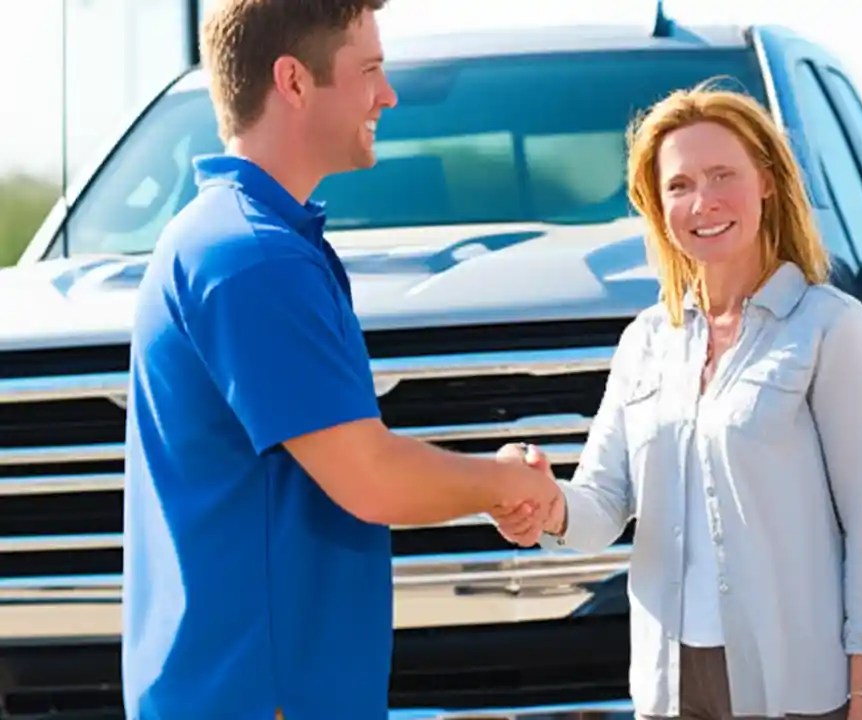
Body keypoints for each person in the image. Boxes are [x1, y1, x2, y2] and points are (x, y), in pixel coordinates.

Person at [122, 2, 558, 718]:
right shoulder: (252, 257)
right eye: (370, 71)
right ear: (293, 82)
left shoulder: (237, 238)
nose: (386, 95)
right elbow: (369, 478)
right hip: (262, 696)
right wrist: (503, 482)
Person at [493, 86, 862, 720]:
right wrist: (545, 505)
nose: (703, 202)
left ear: (767, 182)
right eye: (679, 184)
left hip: (797, 685)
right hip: (672, 684)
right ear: (658, 207)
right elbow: (604, 504)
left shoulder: (829, 326)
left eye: (723, 176)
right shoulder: (646, 342)